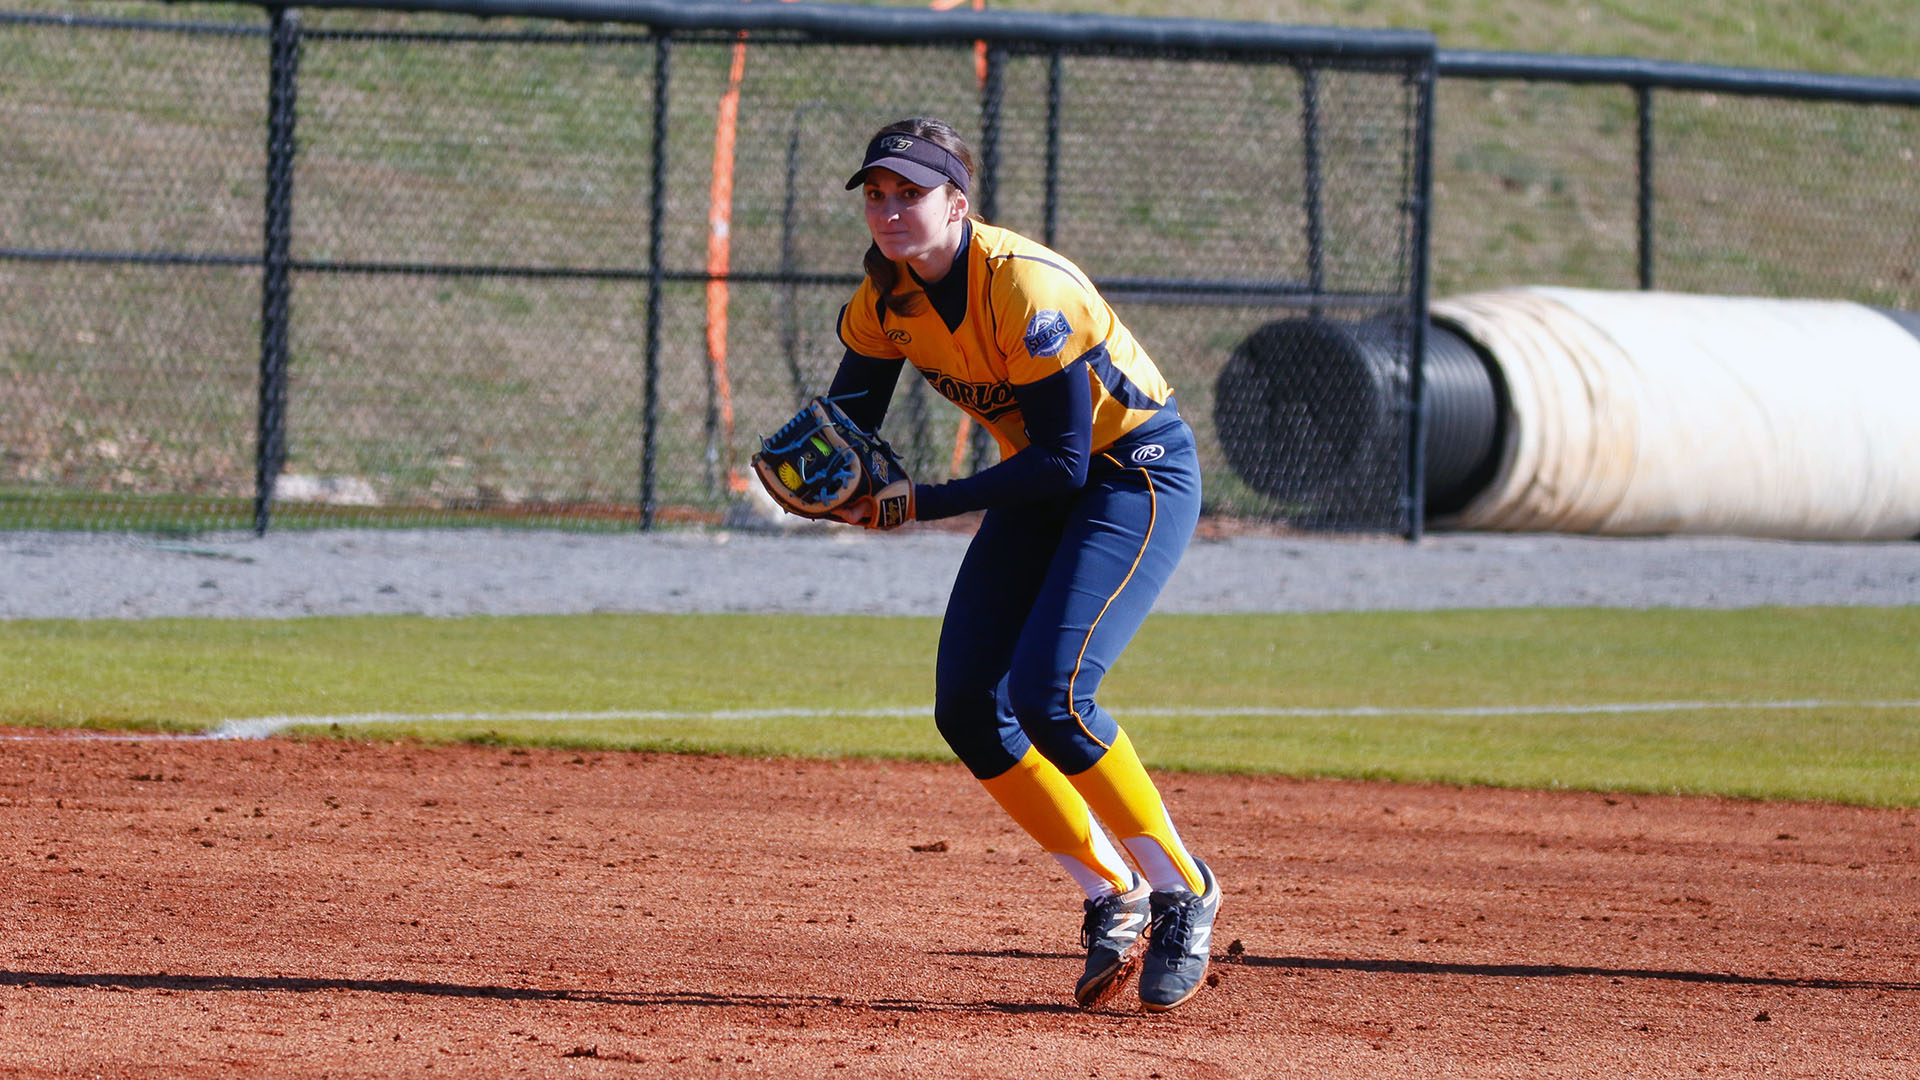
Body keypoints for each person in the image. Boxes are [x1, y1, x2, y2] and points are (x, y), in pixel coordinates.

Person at [823, 117, 1220, 1012]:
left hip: (1131, 475)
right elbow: (850, 420)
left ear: (958, 203)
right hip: (1040, 486)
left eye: (911, 193)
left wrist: (916, 503)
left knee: (1053, 693)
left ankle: (1182, 888)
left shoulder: (1026, 289)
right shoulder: (887, 296)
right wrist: (824, 479)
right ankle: (1108, 891)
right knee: (967, 706)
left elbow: (1064, 462)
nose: (890, 211)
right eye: (877, 195)